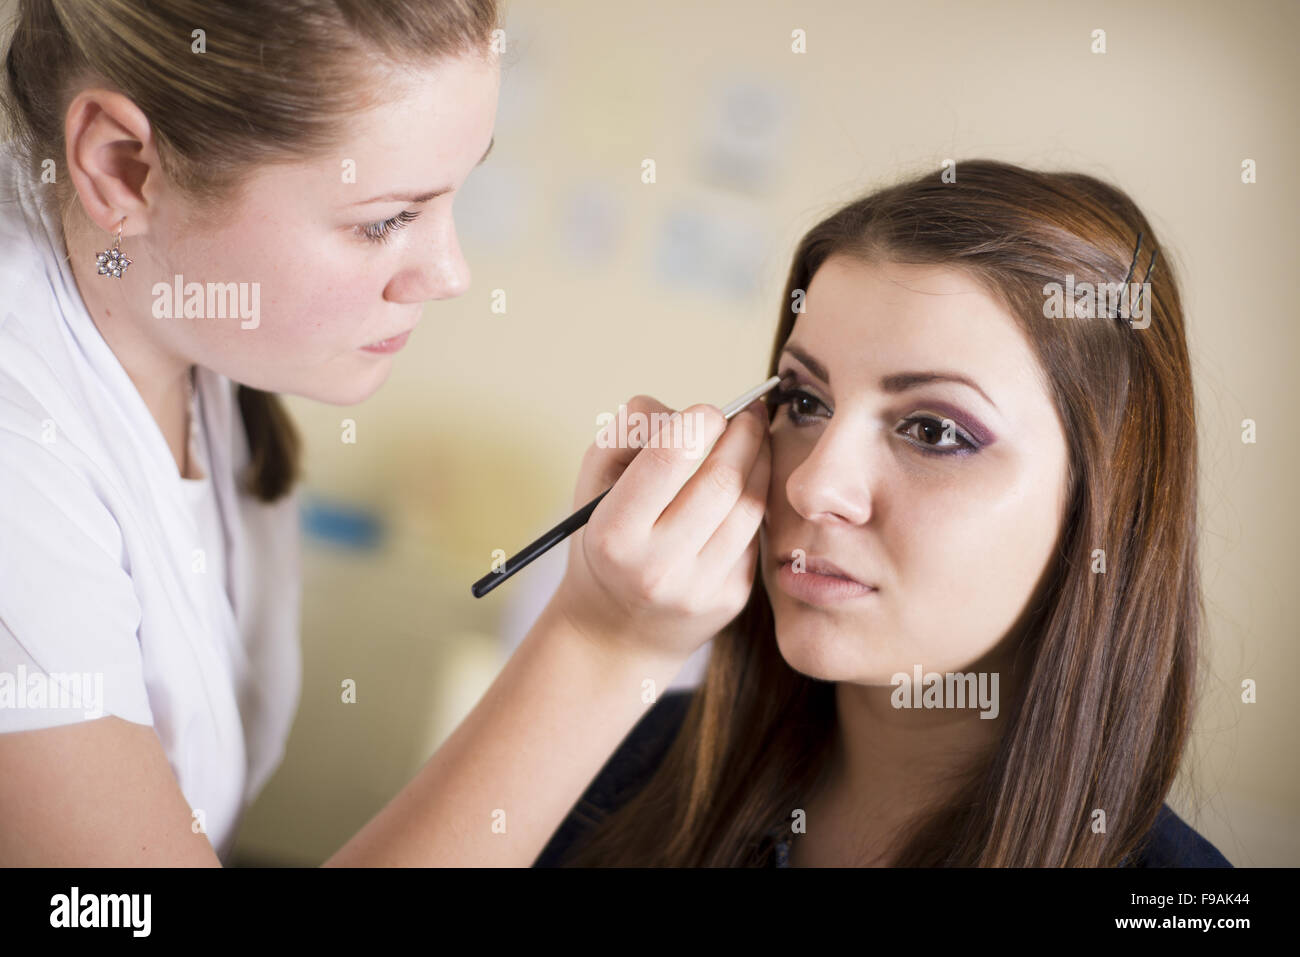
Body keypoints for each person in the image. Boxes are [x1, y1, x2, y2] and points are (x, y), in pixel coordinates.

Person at [0, 0, 771, 866]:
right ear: (123, 168)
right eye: (382, 220)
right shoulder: (18, 467)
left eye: (454, 194)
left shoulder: (187, 321)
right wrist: (605, 643)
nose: (449, 273)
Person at [535, 159, 1233, 867]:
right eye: (805, 402)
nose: (812, 487)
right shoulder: (625, 762)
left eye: (934, 430)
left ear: (1106, 503)